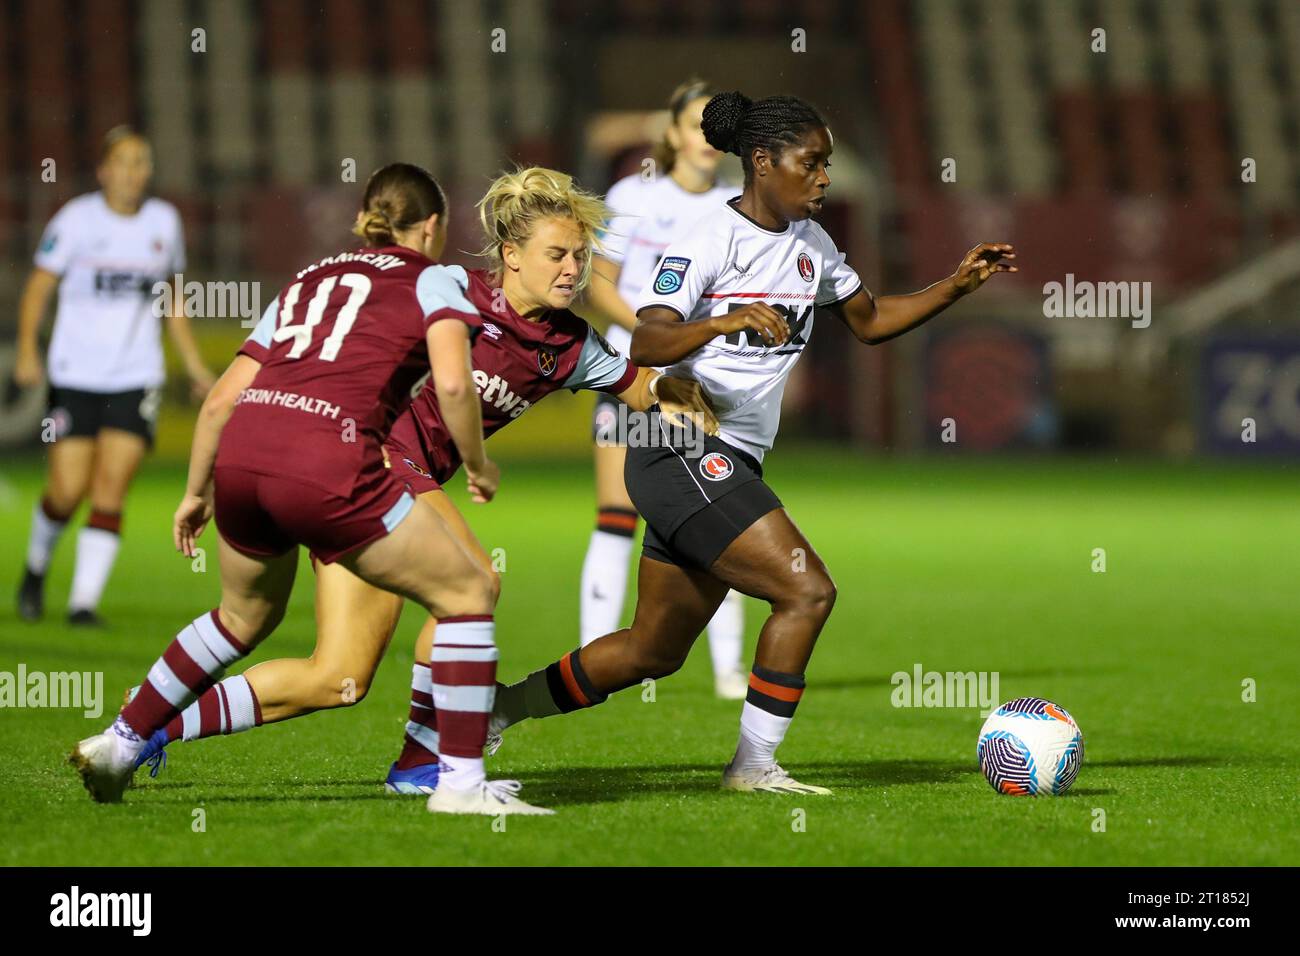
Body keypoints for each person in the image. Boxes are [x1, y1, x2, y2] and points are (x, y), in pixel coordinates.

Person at [124, 167, 716, 798]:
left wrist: (681, 395)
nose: (573, 268)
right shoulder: (448, 291)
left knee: (340, 678)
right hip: (370, 462)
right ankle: (431, 767)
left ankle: (151, 728)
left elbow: (641, 388)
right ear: (511, 256)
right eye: (556, 254)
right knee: (473, 583)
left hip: (390, 486)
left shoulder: (571, 346)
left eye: (580, 255)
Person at [488, 91, 1017, 794]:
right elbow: (648, 336)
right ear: (763, 163)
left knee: (652, 651)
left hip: (726, 462)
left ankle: (495, 707)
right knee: (808, 591)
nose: (825, 177)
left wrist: (955, 285)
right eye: (813, 162)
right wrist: (722, 322)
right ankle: (753, 765)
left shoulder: (814, 246)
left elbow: (870, 320)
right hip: (676, 444)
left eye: (827, 163)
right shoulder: (710, 240)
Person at [71, 162, 554, 816]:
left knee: (239, 619)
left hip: (242, 455)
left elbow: (218, 401)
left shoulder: (309, 277)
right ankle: (459, 787)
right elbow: (455, 384)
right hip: (329, 461)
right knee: (469, 589)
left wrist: (195, 493)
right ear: (433, 225)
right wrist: (476, 464)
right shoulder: (434, 277)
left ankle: (123, 739)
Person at [579, 79, 750, 699]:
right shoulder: (633, 195)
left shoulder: (740, 206)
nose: (707, 138)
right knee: (615, 515)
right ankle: (593, 652)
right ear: (673, 134)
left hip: (701, 385)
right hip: (631, 375)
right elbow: (599, 285)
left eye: (717, 126)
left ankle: (728, 668)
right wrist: (654, 335)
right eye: (695, 124)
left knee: (714, 519)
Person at [15, 126, 214, 627]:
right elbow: (39, 287)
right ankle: (36, 570)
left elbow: (172, 299)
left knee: (110, 488)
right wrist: (25, 350)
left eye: (141, 162)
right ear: (103, 170)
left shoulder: (163, 222)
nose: (132, 172)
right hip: (75, 372)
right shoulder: (76, 220)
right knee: (66, 489)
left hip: (135, 375)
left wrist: (192, 364)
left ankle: (83, 604)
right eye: (123, 162)